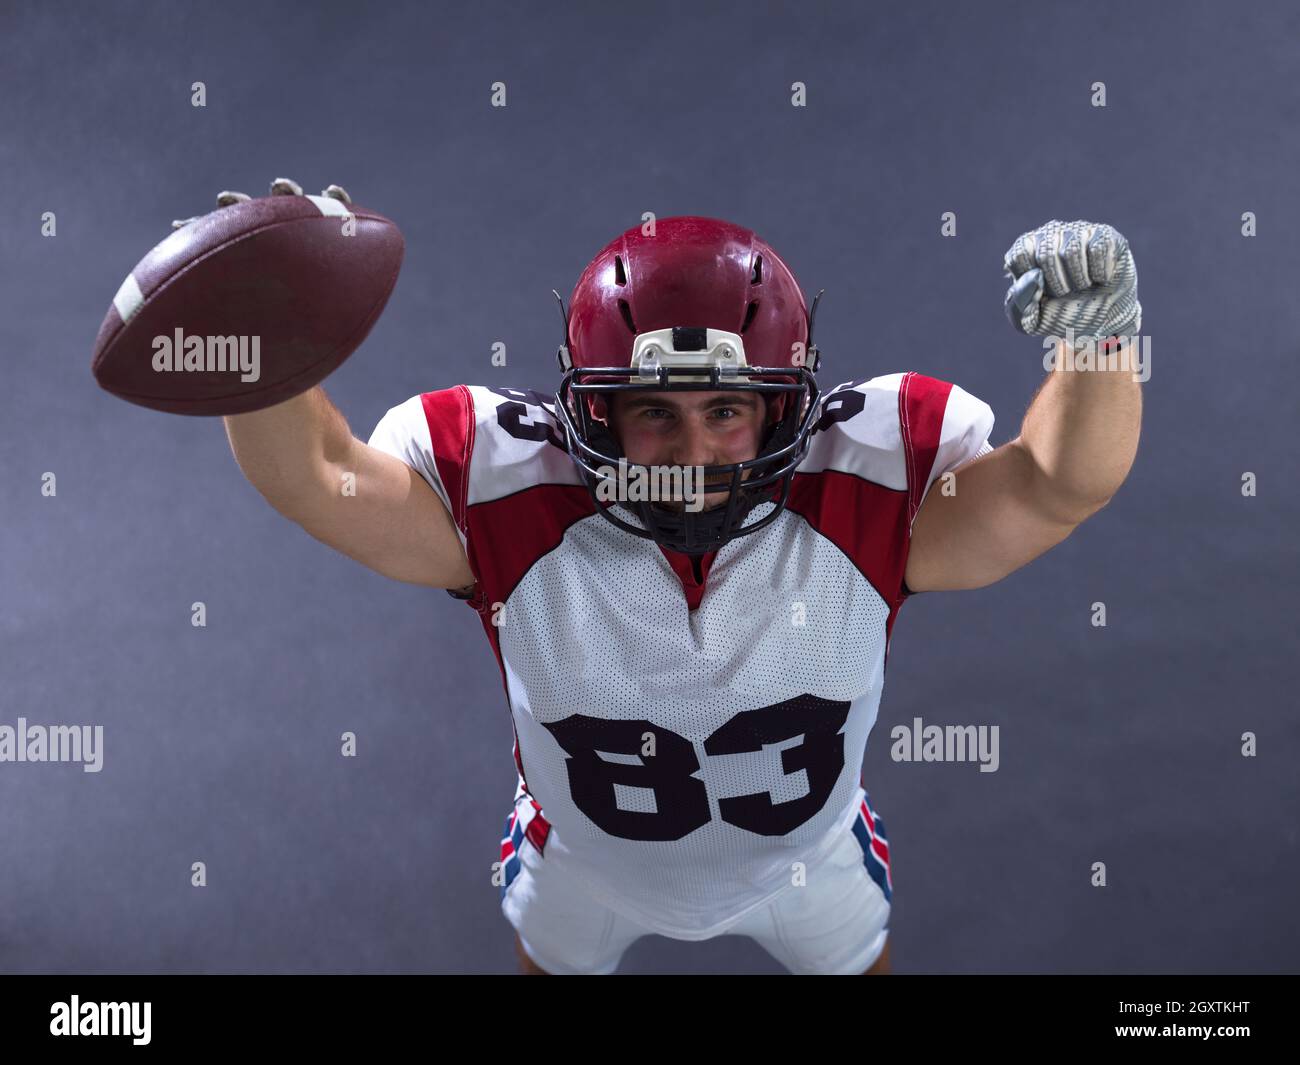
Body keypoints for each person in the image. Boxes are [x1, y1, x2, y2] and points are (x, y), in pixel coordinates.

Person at [226, 212, 1143, 975]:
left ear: (783, 410)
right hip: (583, 866)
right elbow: (312, 476)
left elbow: (1059, 483)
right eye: (654, 412)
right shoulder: (514, 493)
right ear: (595, 412)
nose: (694, 454)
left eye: (727, 412)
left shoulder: (863, 482)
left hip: (806, 863)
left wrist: (1099, 341)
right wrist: (260, 335)